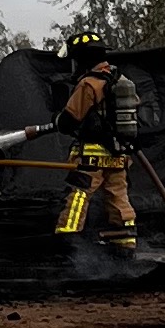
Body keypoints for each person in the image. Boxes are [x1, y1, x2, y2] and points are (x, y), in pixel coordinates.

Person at [51, 29, 139, 255]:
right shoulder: (122, 80)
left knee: (79, 194)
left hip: (92, 155)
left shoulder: (89, 84)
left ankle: (68, 241)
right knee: (118, 196)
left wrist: (58, 121)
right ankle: (125, 244)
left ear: (82, 59)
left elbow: (70, 118)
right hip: (119, 155)